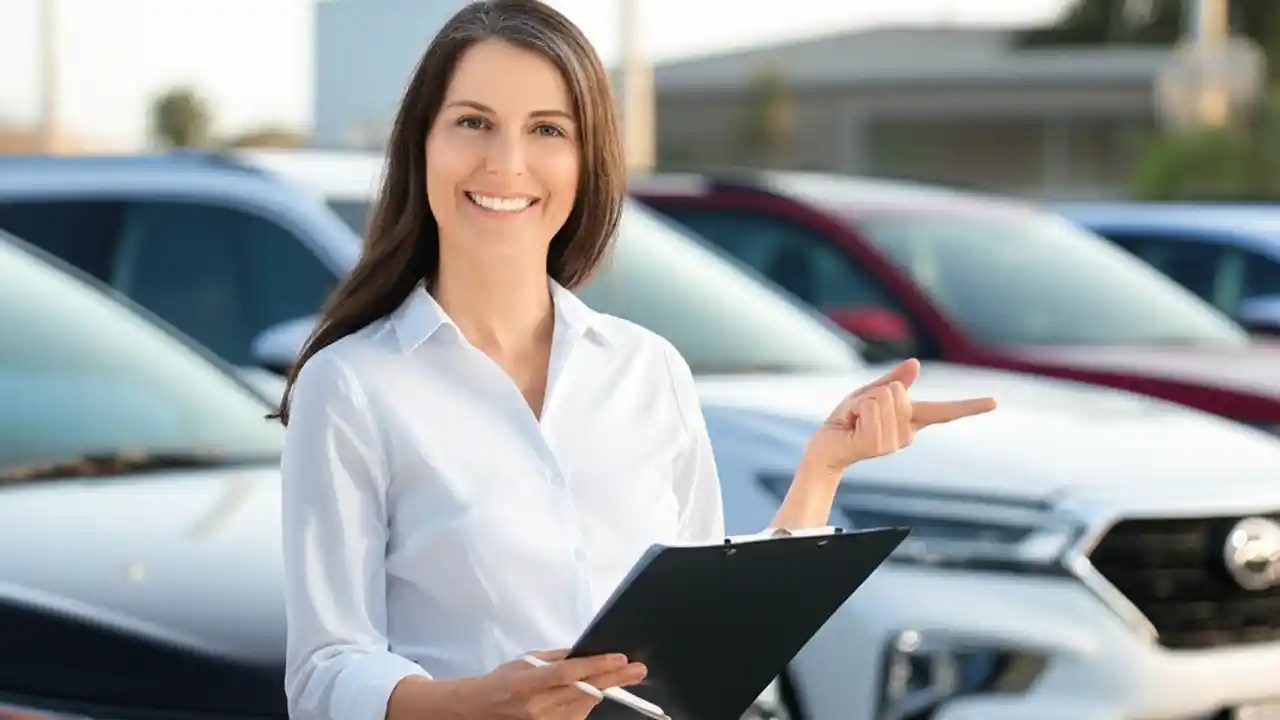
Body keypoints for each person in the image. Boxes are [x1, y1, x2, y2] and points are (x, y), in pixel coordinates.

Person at [273, 2, 996, 719]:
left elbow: (701, 639)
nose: (506, 163)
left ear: (587, 160)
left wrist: (821, 472)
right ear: (421, 145)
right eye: (473, 122)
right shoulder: (353, 386)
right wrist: (473, 704)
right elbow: (325, 672)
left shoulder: (647, 370)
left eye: (547, 130)